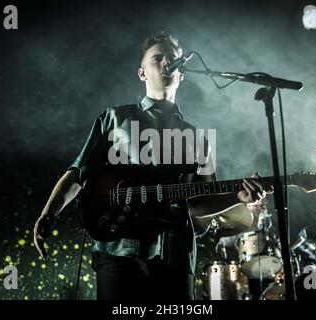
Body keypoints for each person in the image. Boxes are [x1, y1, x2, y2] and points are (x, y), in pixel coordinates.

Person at [33, 32, 271, 300]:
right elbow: (78, 173)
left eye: (173, 59)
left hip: (175, 255)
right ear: (142, 73)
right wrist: (48, 213)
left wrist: (235, 195)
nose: (166, 61)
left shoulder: (197, 138)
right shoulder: (115, 118)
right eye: (157, 58)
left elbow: (199, 203)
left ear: (182, 74)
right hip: (118, 249)